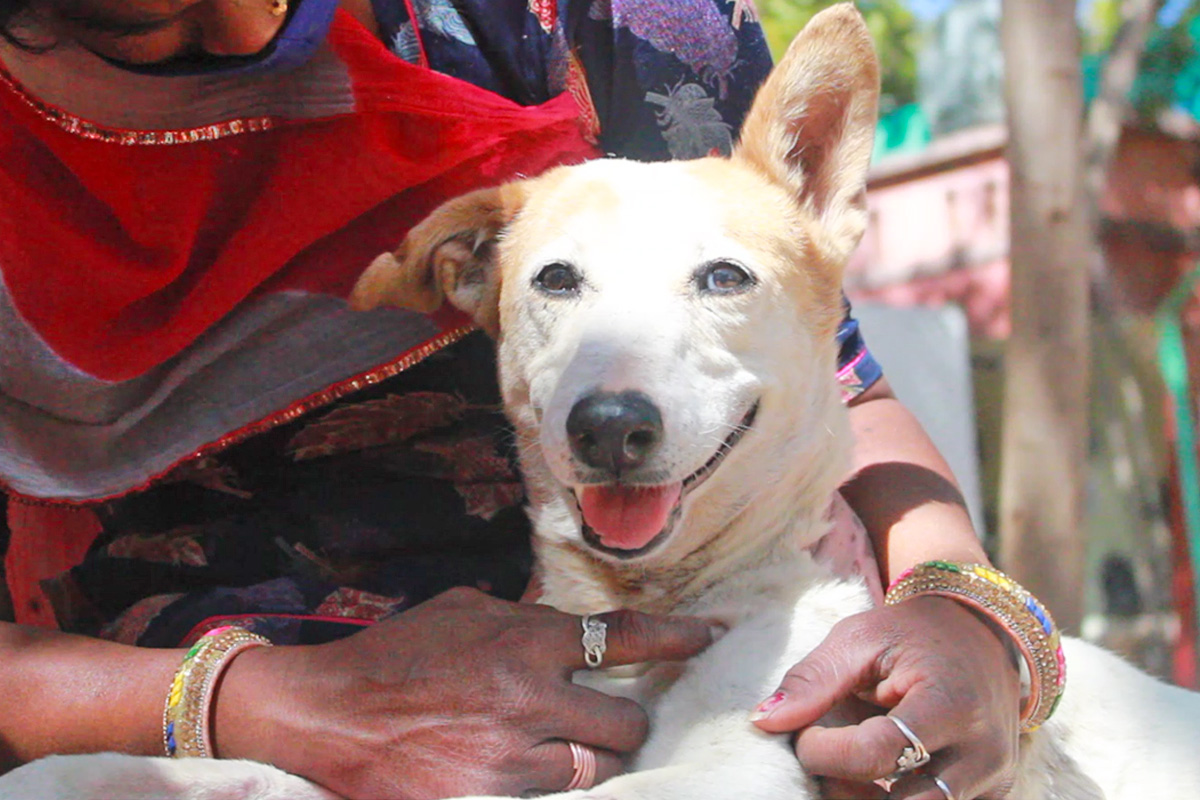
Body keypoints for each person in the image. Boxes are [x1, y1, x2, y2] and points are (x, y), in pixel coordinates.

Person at [0, 1, 1030, 798]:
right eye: (140, 28)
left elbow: (832, 380)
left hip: (692, 659)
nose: (237, 38)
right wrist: (261, 701)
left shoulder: (610, 21)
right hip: (166, 728)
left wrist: (971, 613)